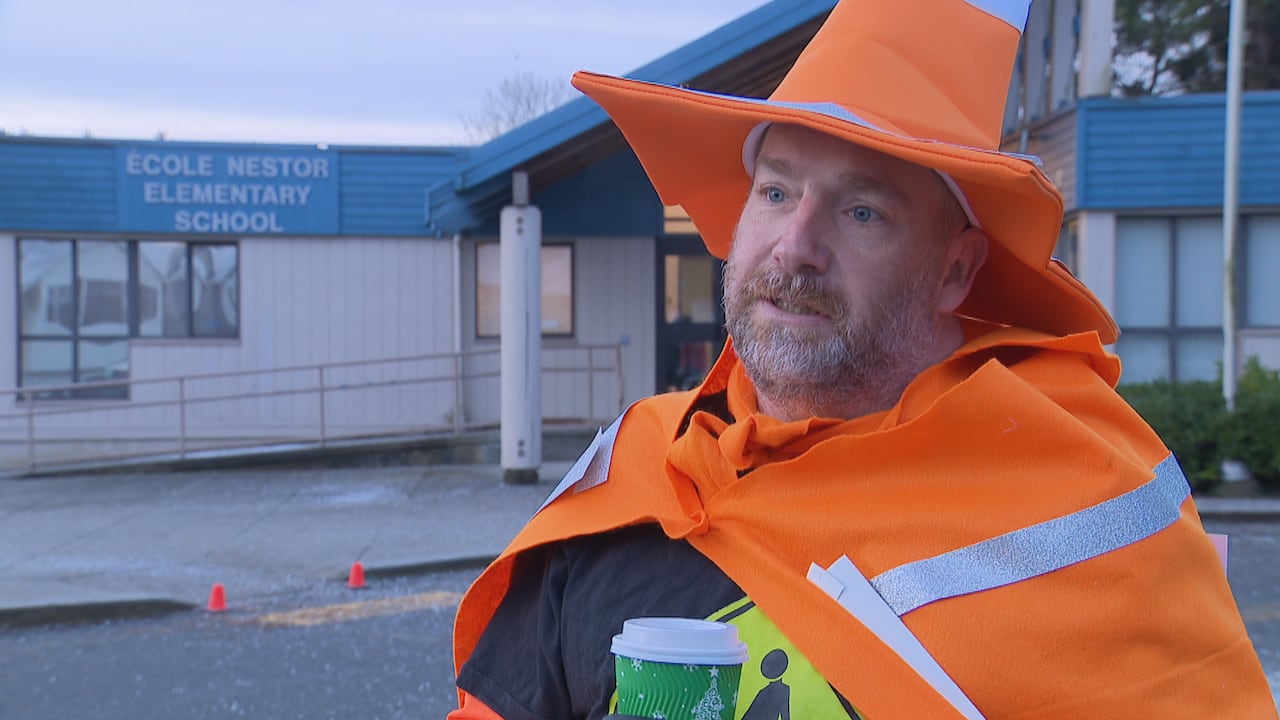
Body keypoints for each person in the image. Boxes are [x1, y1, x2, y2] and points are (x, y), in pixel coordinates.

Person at [449, 1, 1278, 718]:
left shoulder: (1085, 496)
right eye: (775, 192)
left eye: (861, 211)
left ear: (954, 270)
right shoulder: (632, 477)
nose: (796, 246)